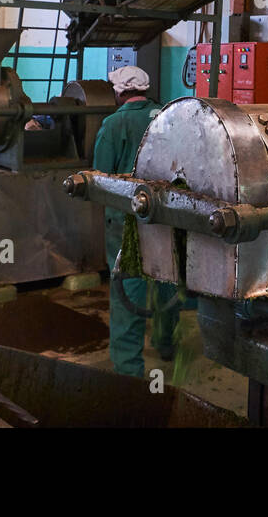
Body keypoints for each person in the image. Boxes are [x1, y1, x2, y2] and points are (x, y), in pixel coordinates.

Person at [92, 65, 179, 376]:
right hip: (168, 213)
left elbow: (100, 178)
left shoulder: (113, 125)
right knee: (167, 280)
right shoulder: (169, 116)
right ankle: (166, 342)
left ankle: (129, 369)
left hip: (128, 218)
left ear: (119, 92)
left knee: (128, 289)